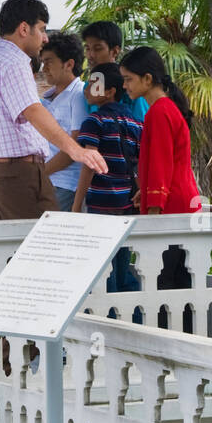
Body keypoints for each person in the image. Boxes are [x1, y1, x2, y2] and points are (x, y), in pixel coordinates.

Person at [0, 0, 107, 221]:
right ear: (23, 29)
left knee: (8, 250)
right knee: (47, 246)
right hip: (18, 174)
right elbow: (32, 110)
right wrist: (75, 150)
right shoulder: (15, 61)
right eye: (41, 29)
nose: (45, 38)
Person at [120, 46, 199, 330]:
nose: (125, 85)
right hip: (179, 200)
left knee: (166, 281)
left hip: (170, 206)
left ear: (148, 79)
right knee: (178, 280)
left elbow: (162, 163)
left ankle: (173, 341)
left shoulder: (159, 112)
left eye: (129, 79)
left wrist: (154, 208)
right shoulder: (165, 108)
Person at [71, 62, 143, 314]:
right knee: (122, 265)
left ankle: (109, 320)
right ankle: (129, 319)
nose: (87, 88)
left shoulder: (94, 121)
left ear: (111, 90)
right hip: (128, 205)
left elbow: (88, 165)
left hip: (102, 204)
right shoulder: (135, 121)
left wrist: (77, 203)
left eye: (94, 82)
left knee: (103, 269)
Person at [39, 32, 89, 212]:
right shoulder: (47, 98)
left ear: (69, 64)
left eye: (49, 62)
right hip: (48, 181)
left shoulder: (78, 95)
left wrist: (40, 173)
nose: (44, 68)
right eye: (43, 62)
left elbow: (75, 146)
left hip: (65, 184)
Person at [81, 21, 149, 123]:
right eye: (87, 48)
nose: (90, 55)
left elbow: (142, 127)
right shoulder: (87, 88)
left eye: (97, 49)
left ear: (115, 51)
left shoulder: (131, 86)